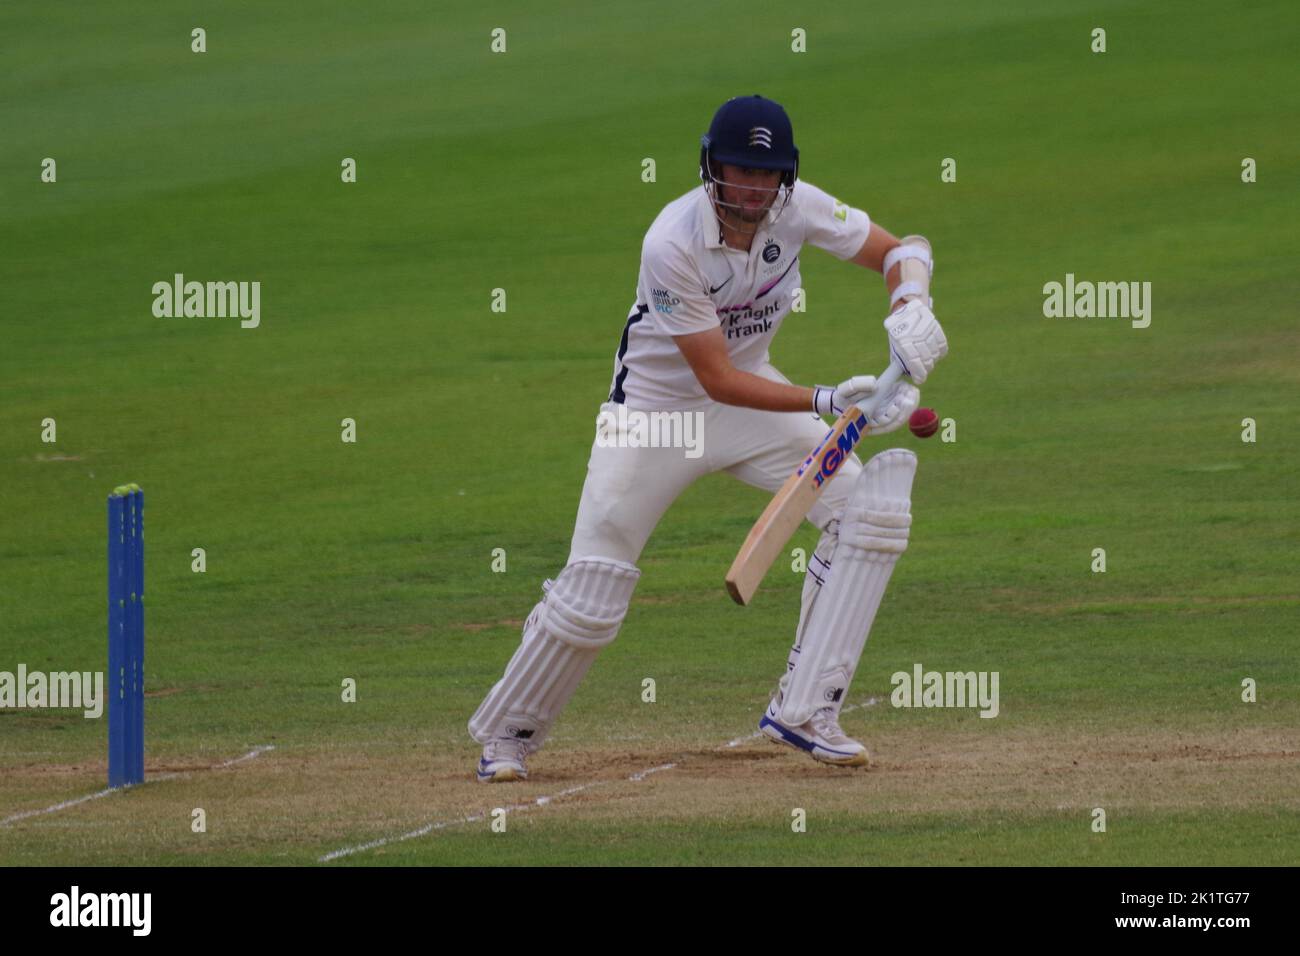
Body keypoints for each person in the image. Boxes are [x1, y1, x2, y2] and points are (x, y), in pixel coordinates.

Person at [468, 94, 948, 781]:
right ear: (710, 167)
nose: (750, 188)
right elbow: (715, 377)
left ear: (784, 177)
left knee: (863, 509)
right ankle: (508, 736)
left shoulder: (799, 207)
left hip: (755, 406)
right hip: (656, 416)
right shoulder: (671, 243)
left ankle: (805, 707)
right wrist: (826, 399)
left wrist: (911, 304)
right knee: (595, 588)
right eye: (736, 170)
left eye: (765, 174)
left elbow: (902, 250)